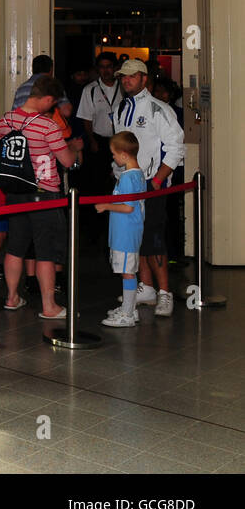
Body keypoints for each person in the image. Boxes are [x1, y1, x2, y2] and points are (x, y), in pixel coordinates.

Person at [0, 76, 76, 318]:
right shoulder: (48, 126)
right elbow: (66, 161)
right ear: (48, 99)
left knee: (15, 248)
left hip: (15, 193)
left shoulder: (5, 120)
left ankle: (11, 297)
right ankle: (49, 306)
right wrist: (75, 148)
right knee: (45, 252)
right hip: (44, 194)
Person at [110, 58, 184, 318]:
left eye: (132, 76)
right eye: (123, 77)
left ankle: (165, 293)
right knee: (134, 240)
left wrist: (156, 180)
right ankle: (147, 288)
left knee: (154, 239)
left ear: (144, 78)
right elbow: (120, 148)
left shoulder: (159, 109)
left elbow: (175, 148)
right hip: (128, 186)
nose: (126, 80)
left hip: (152, 186)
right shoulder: (120, 109)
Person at [97, 131, 146, 328]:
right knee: (128, 271)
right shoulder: (137, 174)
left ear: (124, 154)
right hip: (126, 232)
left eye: (114, 154)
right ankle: (130, 308)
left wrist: (106, 205)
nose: (113, 158)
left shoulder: (128, 177)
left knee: (127, 272)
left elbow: (128, 207)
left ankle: (127, 314)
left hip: (126, 234)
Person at [77, 51, 121, 188]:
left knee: (120, 179)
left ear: (115, 68)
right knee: (99, 180)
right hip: (100, 141)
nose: (106, 70)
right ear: (98, 69)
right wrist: (92, 140)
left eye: (109, 66)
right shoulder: (90, 89)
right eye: (102, 67)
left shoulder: (123, 87)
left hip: (120, 141)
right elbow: (86, 118)